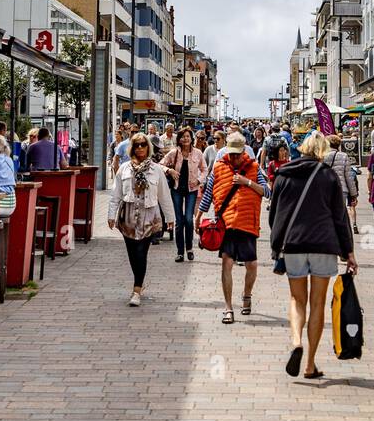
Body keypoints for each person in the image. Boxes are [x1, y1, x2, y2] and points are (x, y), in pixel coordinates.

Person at [269, 132, 355, 380]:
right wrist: (348, 252)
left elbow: (274, 215)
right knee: (317, 303)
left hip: (294, 245)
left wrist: (277, 246)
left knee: (297, 300)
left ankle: (296, 341)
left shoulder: (284, 175)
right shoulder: (328, 177)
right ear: (323, 151)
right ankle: (310, 364)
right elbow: (340, 217)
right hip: (323, 244)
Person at [195, 131, 269, 324]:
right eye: (232, 153)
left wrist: (247, 182)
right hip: (226, 223)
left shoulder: (254, 167)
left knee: (251, 264)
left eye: (238, 154)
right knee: (226, 263)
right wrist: (198, 217)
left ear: (244, 150)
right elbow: (209, 194)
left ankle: (246, 295)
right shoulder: (219, 167)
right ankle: (228, 308)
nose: (235, 158)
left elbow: (267, 192)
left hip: (247, 222)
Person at [108, 133, 174, 307]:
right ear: (132, 148)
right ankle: (139, 282)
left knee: (141, 253)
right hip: (128, 216)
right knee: (132, 254)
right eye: (136, 145)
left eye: (143, 145)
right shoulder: (124, 168)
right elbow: (116, 194)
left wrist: (170, 218)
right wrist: (110, 215)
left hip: (149, 216)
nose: (140, 148)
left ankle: (136, 289)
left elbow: (164, 196)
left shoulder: (156, 169)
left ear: (148, 147)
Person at [161, 127, 207, 263]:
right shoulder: (174, 153)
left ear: (191, 138)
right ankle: (180, 252)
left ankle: (189, 249)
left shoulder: (198, 153)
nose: (185, 139)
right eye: (183, 137)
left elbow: (205, 170)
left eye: (188, 136)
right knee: (179, 221)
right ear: (179, 139)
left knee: (188, 219)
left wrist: (199, 180)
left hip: (192, 189)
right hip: (177, 190)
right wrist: (169, 170)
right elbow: (160, 165)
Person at [325, 133, 359, 234]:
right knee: (340, 212)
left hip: (326, 188)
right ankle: (338, 231)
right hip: (341, 189)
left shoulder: (323, 155)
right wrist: (353, 194)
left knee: (328, 210)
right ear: (339, 145)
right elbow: (349, 177)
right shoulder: (344, 156)